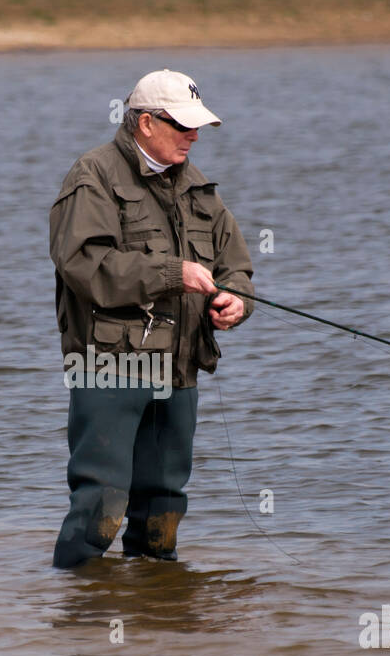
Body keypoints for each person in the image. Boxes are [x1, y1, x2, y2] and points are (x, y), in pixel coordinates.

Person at [49, 68, 255, 568]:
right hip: (109, 365)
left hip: (181, 367)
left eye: (197, 125)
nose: (193, 135)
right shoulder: (92, 176)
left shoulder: (200, 188)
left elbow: (236, 267)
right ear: (144, 123)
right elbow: (85, 266)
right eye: (181, 125)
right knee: (101, 501)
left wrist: (237, 301)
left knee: (163, 509)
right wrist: (171, 272)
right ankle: (78, 611)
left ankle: (158, 620)